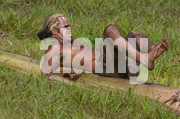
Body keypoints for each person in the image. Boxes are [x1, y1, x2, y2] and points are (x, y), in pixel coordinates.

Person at [37, 13, 169, 81]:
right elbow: (45, 72)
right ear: (54, 31)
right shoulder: (55, 47)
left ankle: (152, 51)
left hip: (120, 67)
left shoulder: (72, 41)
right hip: (107, 69)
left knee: (134, 35)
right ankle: (144, 58)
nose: (70, 29)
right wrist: (65, 73)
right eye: (66, 27)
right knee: (110, 30)